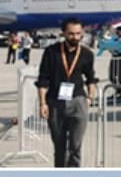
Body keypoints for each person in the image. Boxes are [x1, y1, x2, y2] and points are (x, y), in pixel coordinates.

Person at [36, 18, 98, 167]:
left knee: (76, 146)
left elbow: (91, 78)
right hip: (55, 102)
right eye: (71, 34)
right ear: (63, 33)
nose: (75, 38)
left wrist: (90, 97)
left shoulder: (87, 54)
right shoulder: (51, 52)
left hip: (78, 102)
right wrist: (43, 103)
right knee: (59, 146)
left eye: (78, 34)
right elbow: (43, 80)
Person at [108, 25, 121, 92]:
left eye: (118, 32)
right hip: (114, 59)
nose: (117, 33)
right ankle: (117, 90)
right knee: (111, 76)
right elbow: (110, 45)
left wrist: (116, 51)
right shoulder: (115, 39)